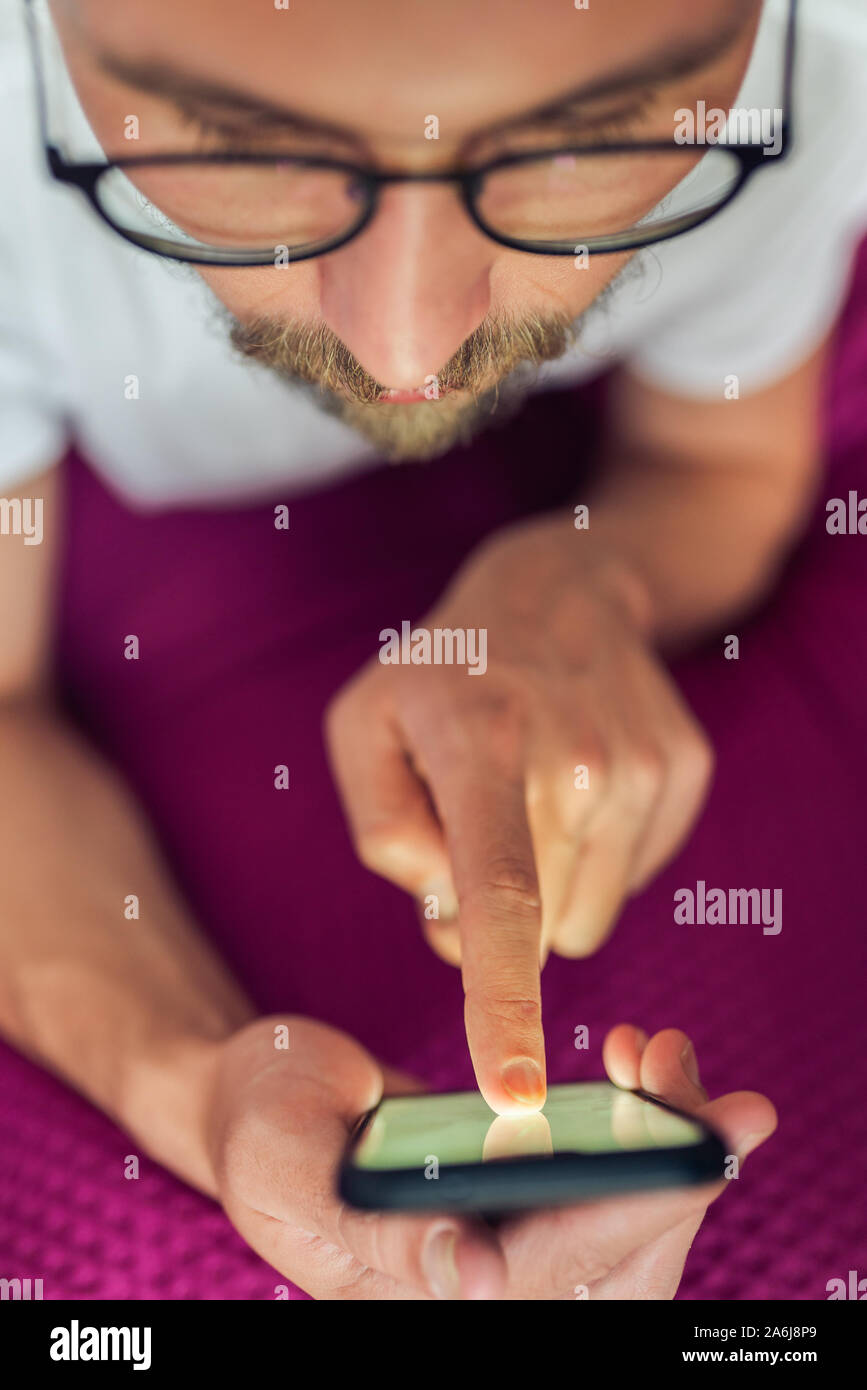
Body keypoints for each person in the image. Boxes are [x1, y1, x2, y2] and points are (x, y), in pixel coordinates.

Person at [1, 0, 864, 1299]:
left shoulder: (791, 70)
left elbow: (715, 461)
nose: (410, 346)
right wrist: (195, 1084)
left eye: (586, 143)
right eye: (236, 152)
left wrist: (598, 573)